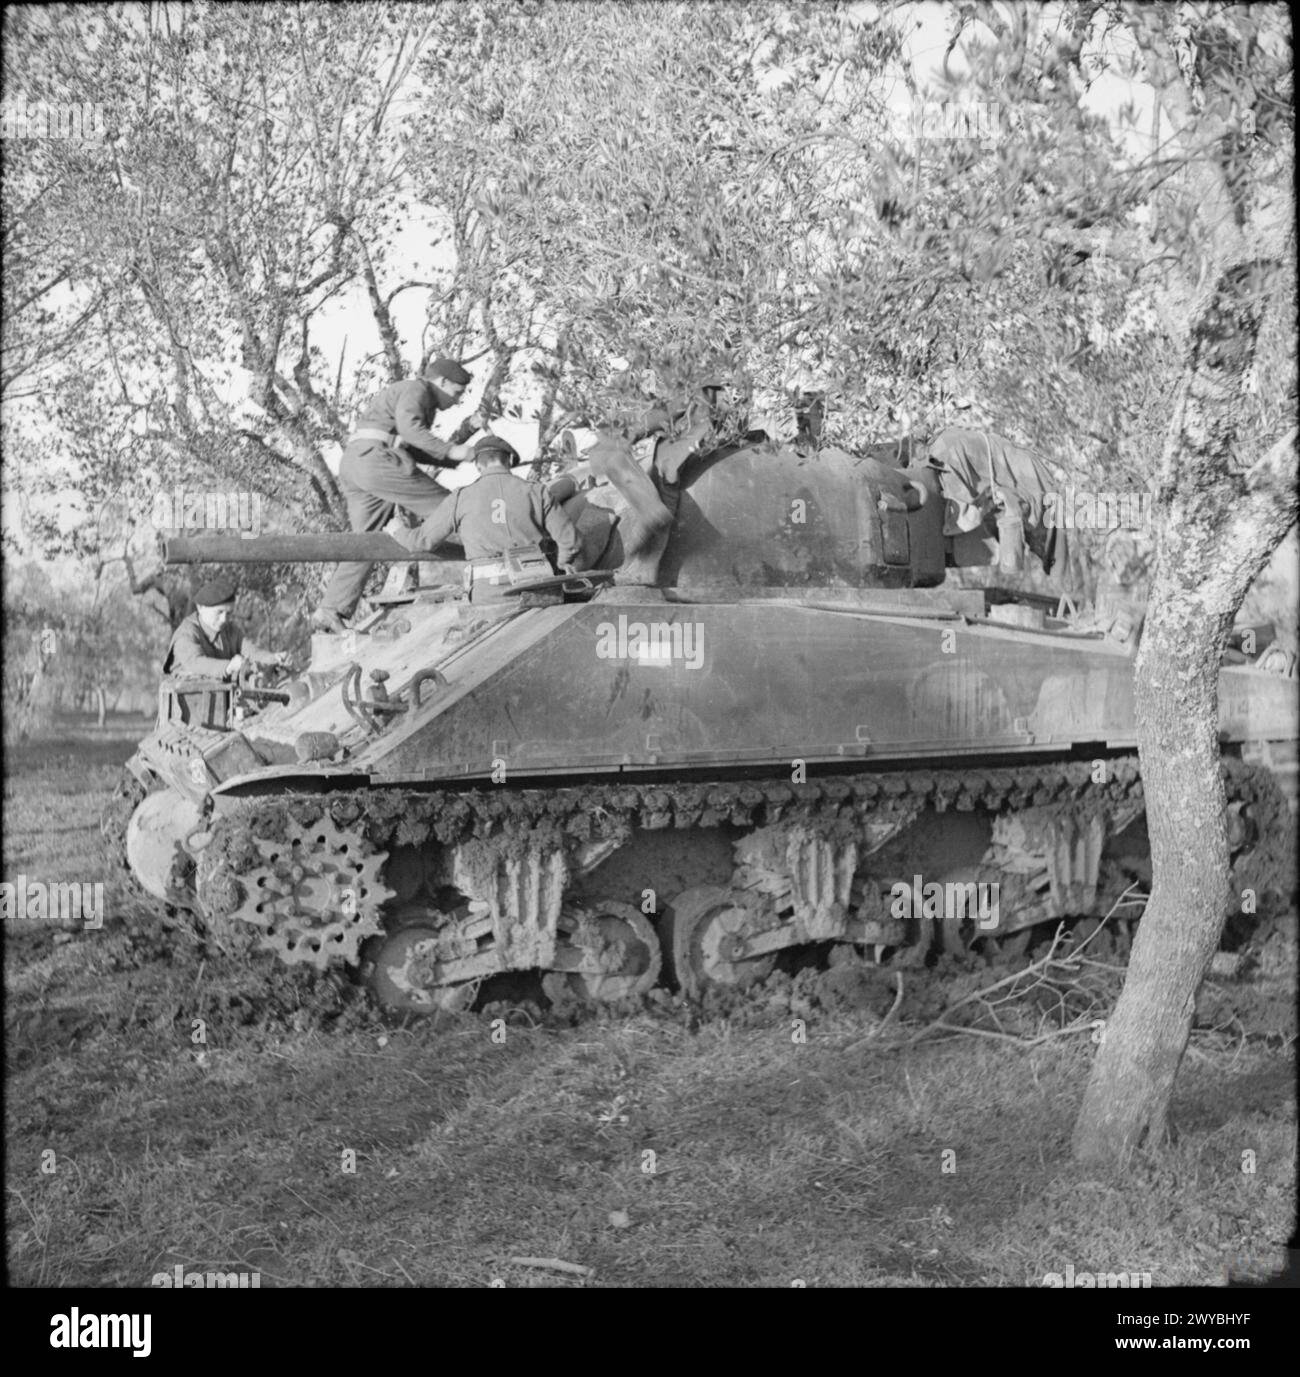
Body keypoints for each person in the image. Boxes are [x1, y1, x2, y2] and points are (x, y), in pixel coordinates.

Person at [312, 356, 481, 633]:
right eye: (457, 393)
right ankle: (496, 557)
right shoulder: (418, 390)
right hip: (377, 462)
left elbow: (411, 445)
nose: (457, 400)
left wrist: (455, 457)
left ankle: (331, 608)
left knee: (367, 540)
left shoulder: (412, 395)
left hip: (356, 463)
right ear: (442, 382)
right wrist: (453, 451)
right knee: (453, 508)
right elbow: (411, 432)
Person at [397, 434, 582, 601]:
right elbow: (570, 541)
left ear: (478, 465)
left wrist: (396, 530)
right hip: (540, 591)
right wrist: (562, 563)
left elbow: (421, 541)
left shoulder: (460, 498)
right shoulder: (537, 492)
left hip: (489, 597)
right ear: (509, 460)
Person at [162, 577, 287, 679]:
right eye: (219, 612)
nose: (224, 619)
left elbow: (251, 652)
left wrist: (273, 658)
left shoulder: (229, 630)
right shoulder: (186, 634)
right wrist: (229, 666)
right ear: (200, 608)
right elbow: (196, 663)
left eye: (229, 613)